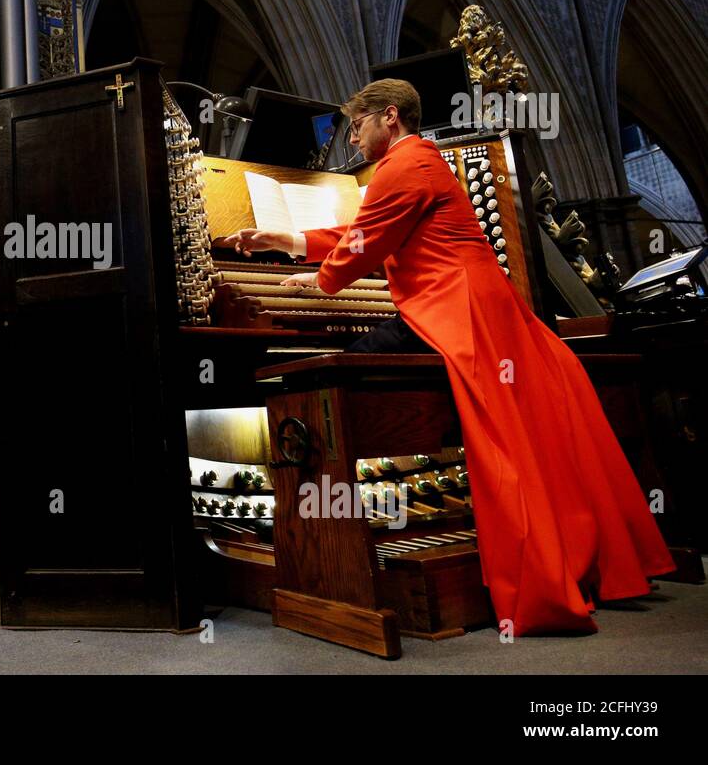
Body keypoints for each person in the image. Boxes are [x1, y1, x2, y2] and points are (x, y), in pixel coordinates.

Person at [215, 79, 674, 634]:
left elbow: (362, 241)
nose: (354, 141)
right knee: (352, 361)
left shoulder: (405, 164)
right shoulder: (413, 163)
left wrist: (321, 278)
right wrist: (285, 243)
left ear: (390, 117)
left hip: (454, 309)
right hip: (461, 305)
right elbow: (358, 229)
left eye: (358, 127)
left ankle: (326, 560)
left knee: (324, 376)